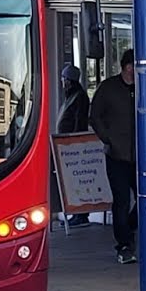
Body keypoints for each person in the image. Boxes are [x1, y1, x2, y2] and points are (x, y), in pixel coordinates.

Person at [89, 49, 137, 264]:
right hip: (116, 155)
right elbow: (95, 116)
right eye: (135, 67)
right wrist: (108, 139)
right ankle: (124, 244)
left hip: (142, 155)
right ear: (127, 67)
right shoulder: (108, 88)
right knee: (121, 200)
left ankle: (128, 227)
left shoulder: (144, 87)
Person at [56, 64, 92, 228]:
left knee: (78, 181)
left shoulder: (79, 97)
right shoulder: (71, 96)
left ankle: (81, 214)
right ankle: (77, 213)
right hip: (67, 146)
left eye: (64, 79)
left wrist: (75, 140)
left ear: (69, 81)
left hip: (73, 147)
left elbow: (79, 121)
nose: (62, 82)